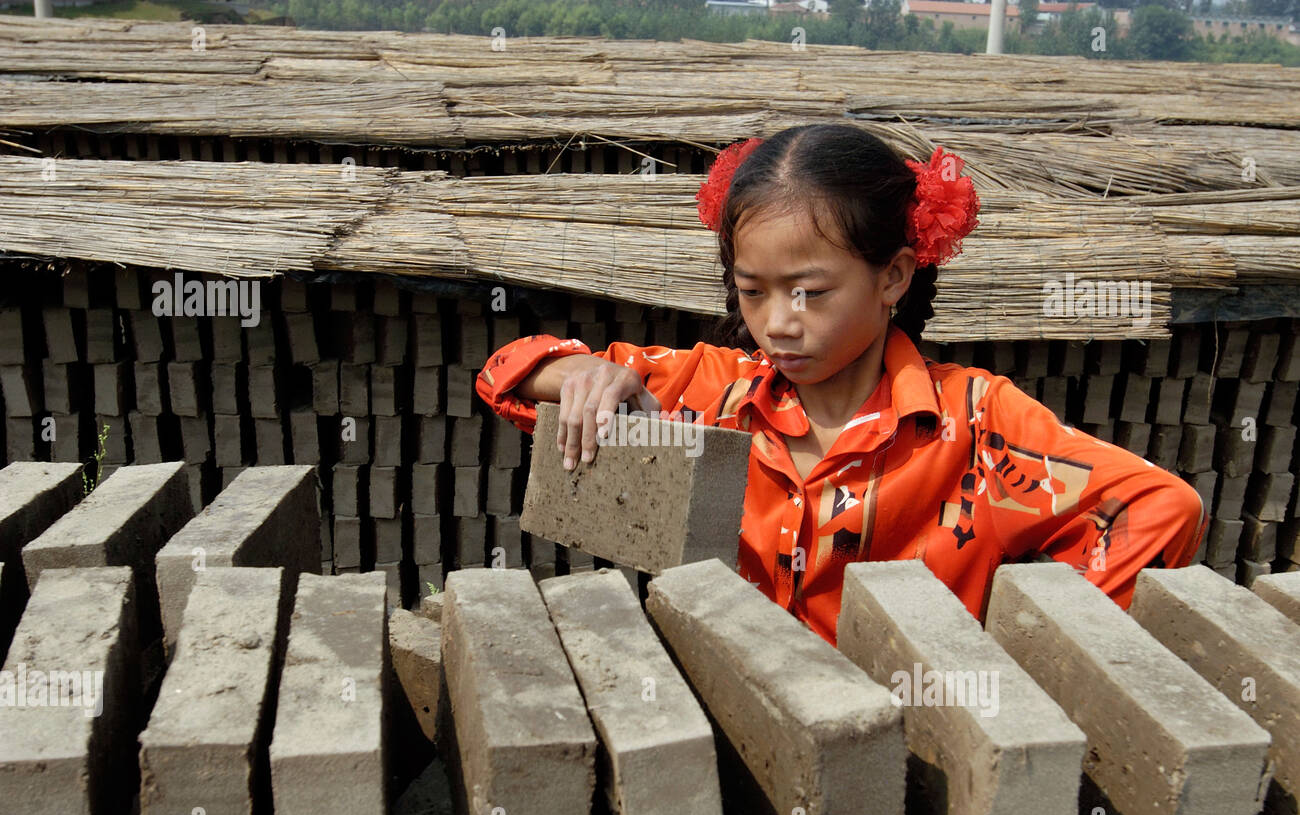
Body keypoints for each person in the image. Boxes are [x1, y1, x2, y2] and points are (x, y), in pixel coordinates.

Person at [475, 123, 1209, 647]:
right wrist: (578, 372)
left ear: (892, 275)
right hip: (732, 723)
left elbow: (1162, 507)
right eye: (752, 291)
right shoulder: (708, 396)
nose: (777, 325)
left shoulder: (977, 425)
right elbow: (505, 375)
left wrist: (1026, 658)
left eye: (809, 292)